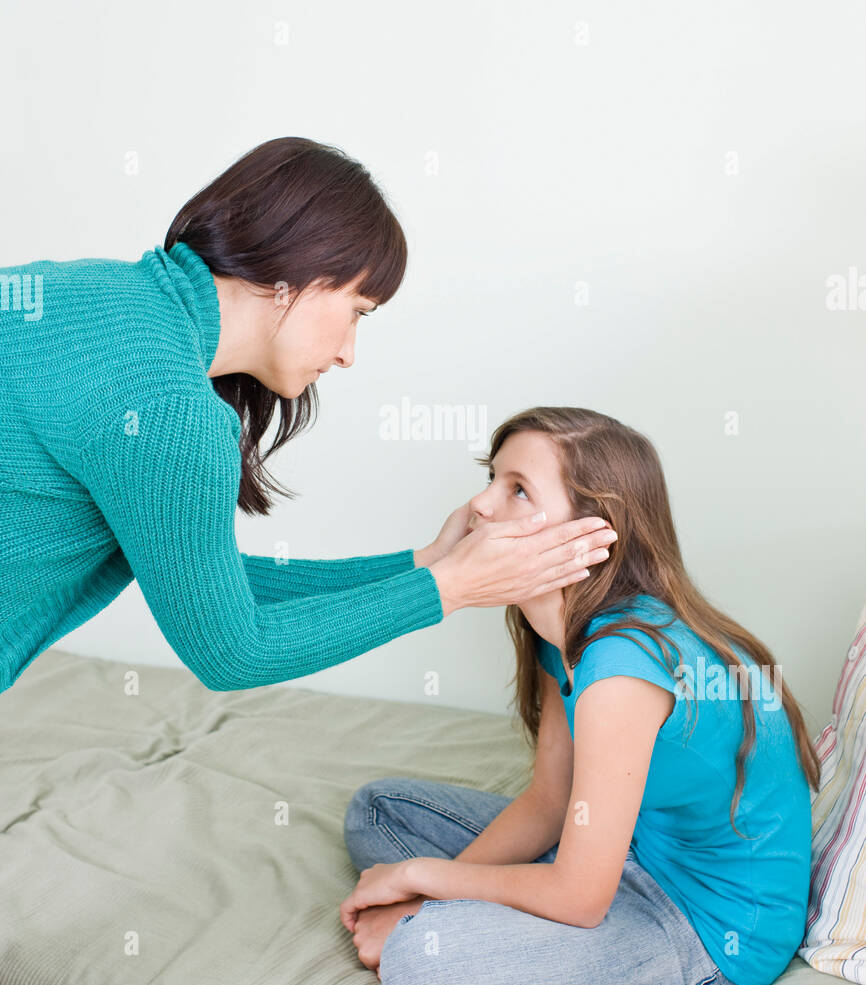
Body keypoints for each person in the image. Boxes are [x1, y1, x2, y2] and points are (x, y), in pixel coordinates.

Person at [0, 138, 614, 696]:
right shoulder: (172, 415)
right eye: (358, 311)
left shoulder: (78, 293)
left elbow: (200, 583)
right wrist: (451, 589)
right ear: (295, 273)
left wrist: (427, 565)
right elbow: (233, 652)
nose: (348, 353)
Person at [340, 406, 820, 985]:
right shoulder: (559, 630)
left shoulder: (623, 663)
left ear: (593, 536)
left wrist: (422, 885)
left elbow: (579, 897)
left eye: (517, 489)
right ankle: (538, 978)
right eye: (491, 477)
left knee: (423, 960)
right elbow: (548, 802)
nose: (479, 505)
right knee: (378, 809)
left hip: (706, 930)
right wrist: (433, 895)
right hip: (616, 855)